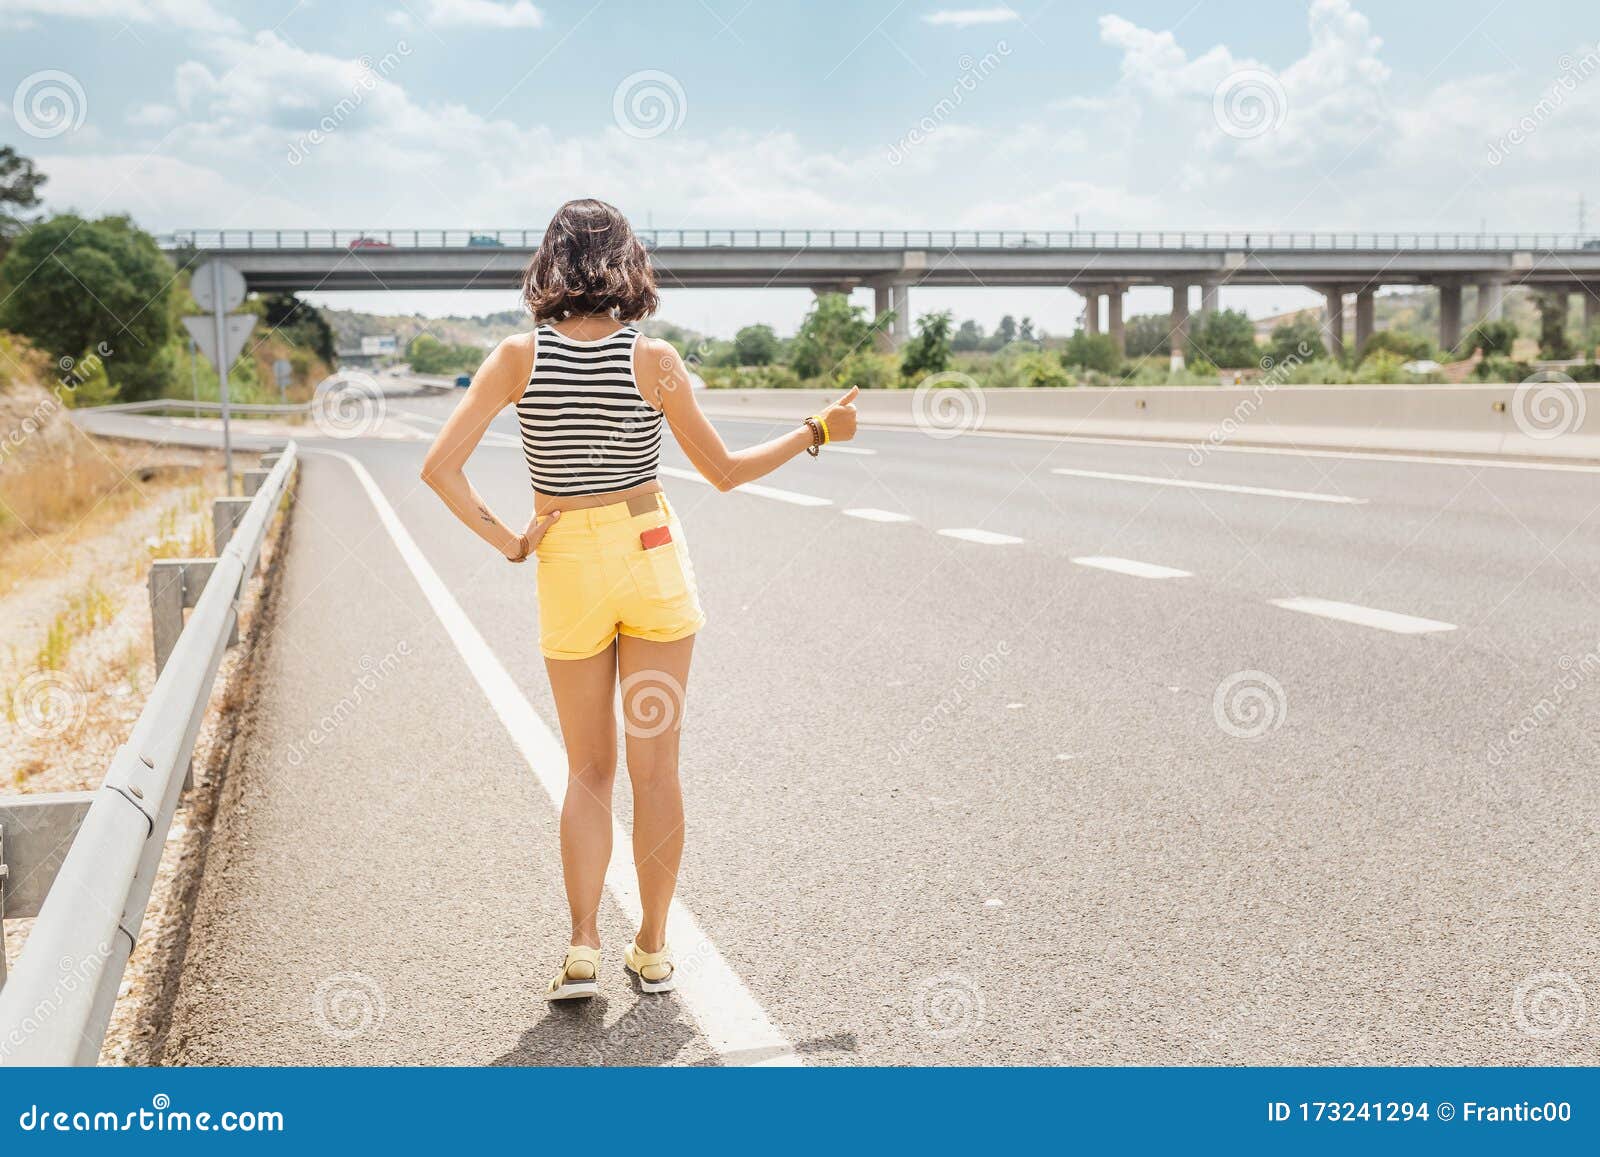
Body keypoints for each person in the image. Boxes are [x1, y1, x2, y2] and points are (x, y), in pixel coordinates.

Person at [421, 198, 859, 1000]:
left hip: (567, 562)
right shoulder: (653, 359)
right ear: (628, 260)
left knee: (589, 768)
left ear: (550, 262)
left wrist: (513, 542)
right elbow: (725, 471)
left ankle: (583, 944)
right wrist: (817, 430)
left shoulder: (516, 358)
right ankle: (653, 948)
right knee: (657, 772)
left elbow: (439, 468)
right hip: (650, 553)